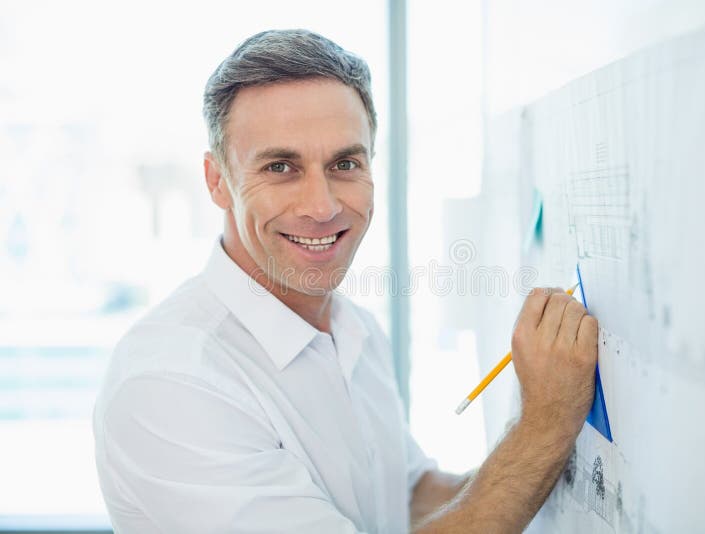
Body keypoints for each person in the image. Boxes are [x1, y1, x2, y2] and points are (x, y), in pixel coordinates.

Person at [93, 29, 598, 534]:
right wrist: (541, 427)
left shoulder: (352, 328)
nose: (323, 206)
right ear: (217, 180)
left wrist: (549, 427)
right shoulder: (172, 385)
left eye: (345, 163)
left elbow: (409, 497)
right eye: (280, 166)